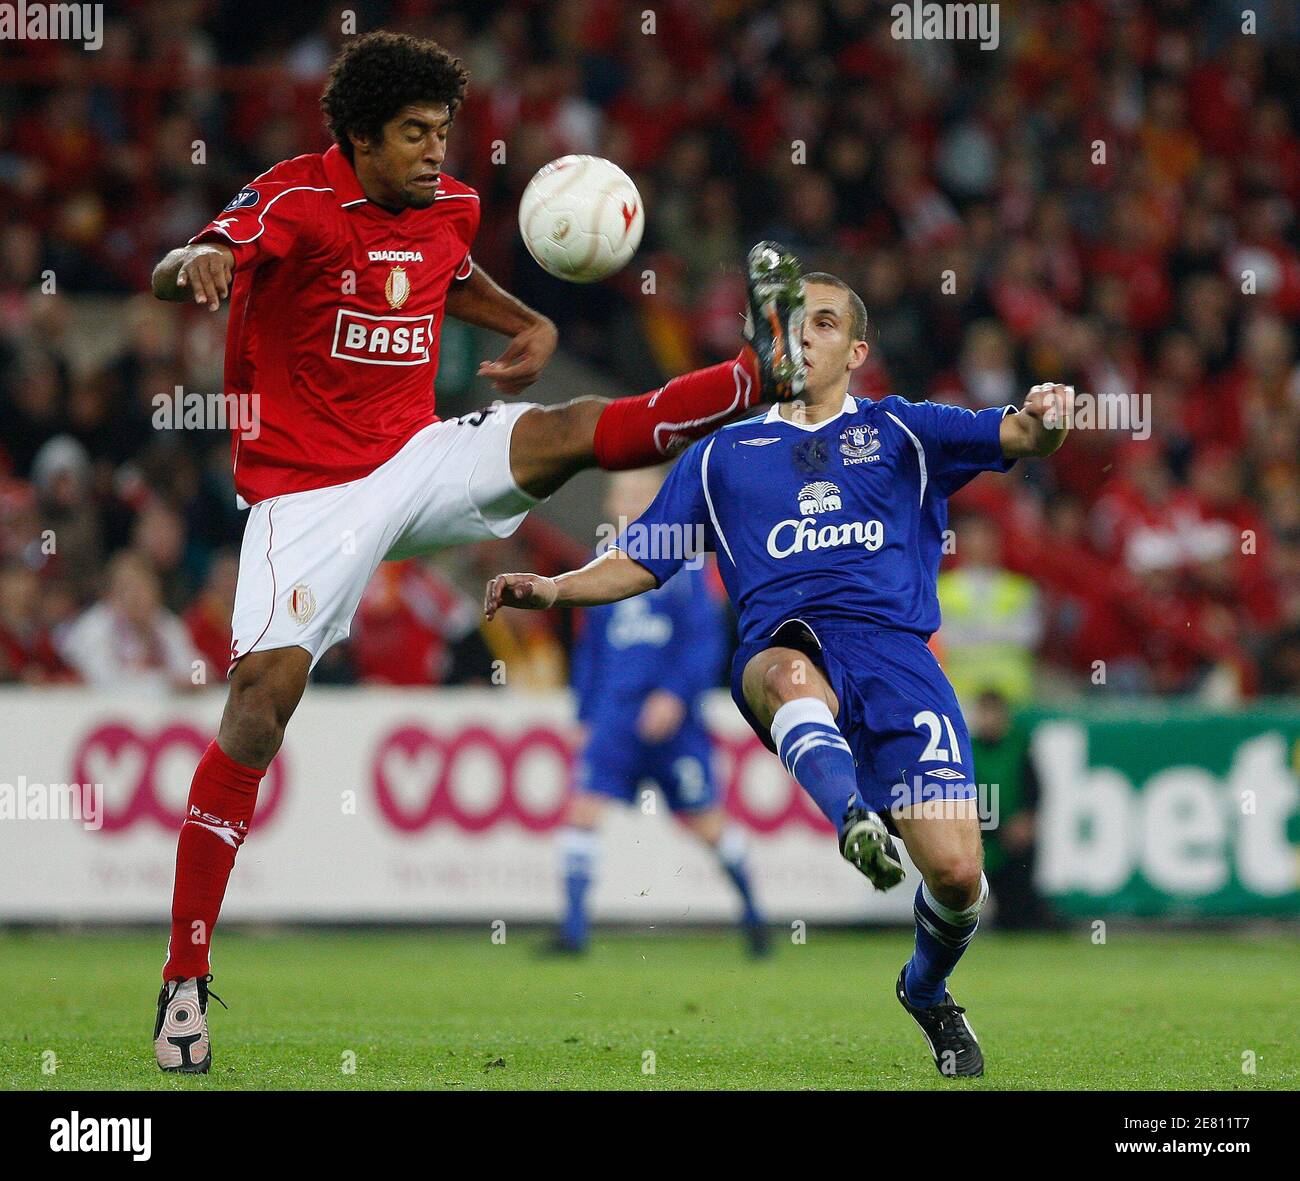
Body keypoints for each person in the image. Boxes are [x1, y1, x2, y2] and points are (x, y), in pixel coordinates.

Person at [146, 31, 808, 1075]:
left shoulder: (448, 205)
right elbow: (202, 252)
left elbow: (444, 271)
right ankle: (184, 980)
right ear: (359, 137)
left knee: (563, 428)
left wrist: (527, 318)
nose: (433, 151)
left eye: (443, 132)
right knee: (260, 705)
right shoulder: (293, 203)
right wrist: (199, 263)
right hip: (304, 492)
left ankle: (750, 379)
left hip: (411, 456)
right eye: (412, 133)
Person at [486, 271, 1075, 1078]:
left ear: (855, 350)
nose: (804, 335)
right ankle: (852, 817)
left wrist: (1050, 415)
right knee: (785, 669)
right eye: (791, 323)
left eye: (825, 323)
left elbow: (1021, 437)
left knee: (958, 875)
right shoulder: (723, 455)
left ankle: (925, 989)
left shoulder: (903, 429)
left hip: (899, 660)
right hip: (786, 646)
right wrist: (556, 587)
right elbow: (641, 559)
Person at [555, 469, 767, 957]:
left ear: (658, 501)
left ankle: (756, 920)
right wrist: (584, 715)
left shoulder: (687, 563)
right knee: (582, 809)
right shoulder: (597, 568)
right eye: (622, 494)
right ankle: (573, 933)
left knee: (705, 821)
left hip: (674, 722)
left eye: (640, 494)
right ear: (610, 505)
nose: (630, 503)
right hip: (614, 715)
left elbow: (706, 638)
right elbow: (591, 651)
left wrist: (674, 693)